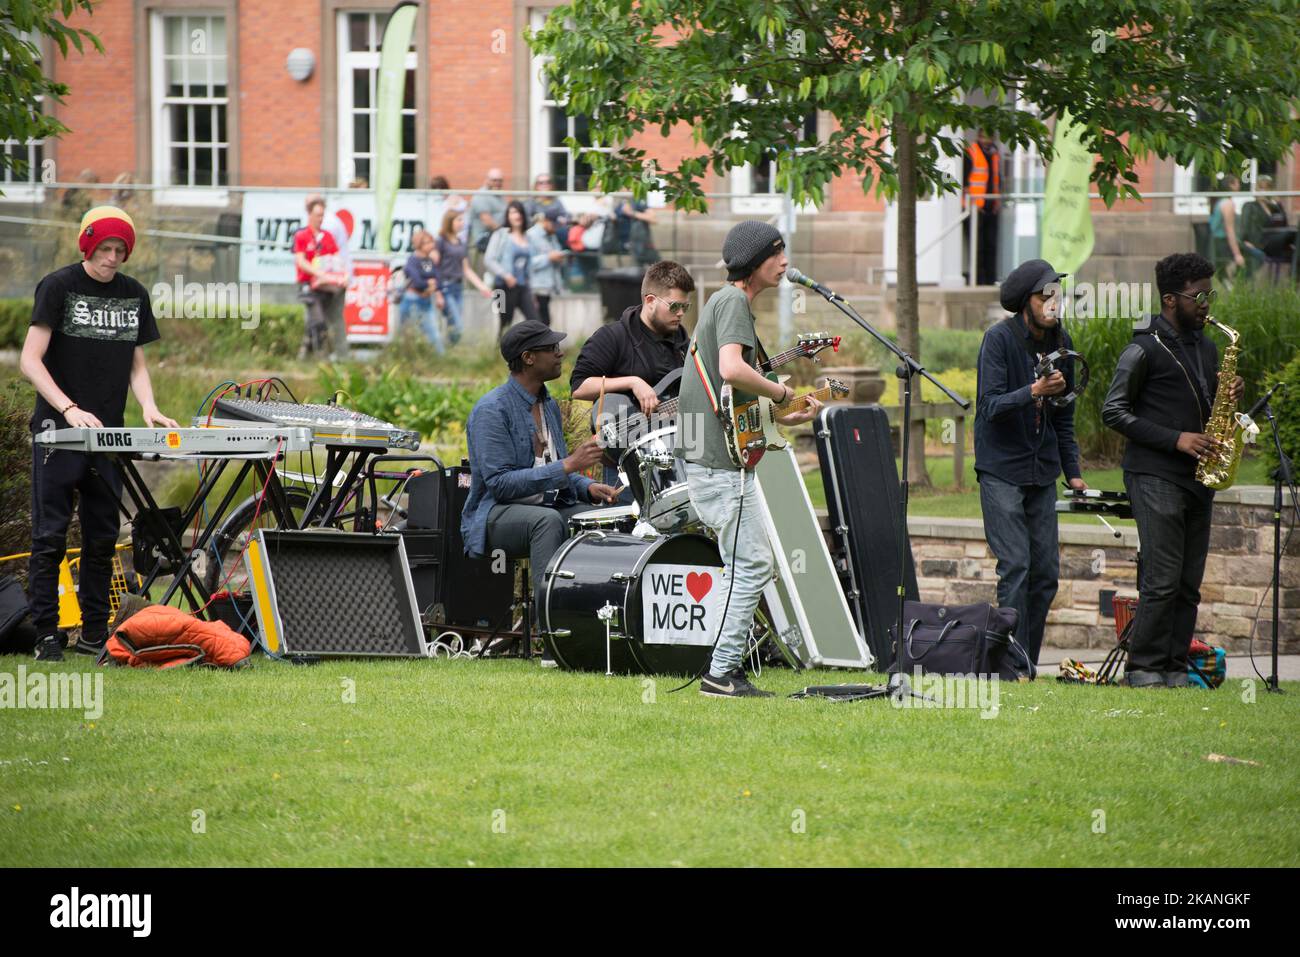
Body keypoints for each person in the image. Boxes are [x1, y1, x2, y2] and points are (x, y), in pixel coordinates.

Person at [18, 205, 179, 661]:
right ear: (88, 246)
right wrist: (67, 407)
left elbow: (136, 362)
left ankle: (92, 633)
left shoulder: (133, 294)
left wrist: (149, 406)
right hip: (57, 432)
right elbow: (30, 359)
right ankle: (46, 634)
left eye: (120, 250)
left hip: (108, 437)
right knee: (50, 536)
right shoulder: (58, 286)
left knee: (102, 538)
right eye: (105, 248)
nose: (112, 257)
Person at [674, 221, 821, 698]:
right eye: (777, 254)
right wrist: (783, 389)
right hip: (717, 467)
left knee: (746, 565)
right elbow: (732, 369)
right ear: (755, 260)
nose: (784, 262)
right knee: (753, 565)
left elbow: (733, 397)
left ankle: (723, 669)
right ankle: (721, 673)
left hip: (716, 460)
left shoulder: (722, 303)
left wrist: (785, 416)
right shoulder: (733, 301)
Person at [1101, 252, 1244, 688]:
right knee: (1161, 580)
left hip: (1199, 478)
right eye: (1198, 296)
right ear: (1169, 299)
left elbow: (1199, 403)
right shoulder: (1141, 348)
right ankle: (1143, 667)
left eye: (1209, 294)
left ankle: (1174, 666)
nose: (1206, 304)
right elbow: (1113, 412)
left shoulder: (1207, 346)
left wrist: (1227, 392)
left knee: (1187, 583)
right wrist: (1176, 438)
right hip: (1154, 474)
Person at [461, 320, 621, 632]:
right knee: (546, 522)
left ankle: (592, 623)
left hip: (547, 506)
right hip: (496, 513)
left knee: (599, 520)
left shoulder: (546, 404)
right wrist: (568, 466)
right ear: (528, 357)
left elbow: (554, 469)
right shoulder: (491, 410)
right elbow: (500, 484)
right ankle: (549, 630)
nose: (560, 354)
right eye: (552, 349)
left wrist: (588, 487)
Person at [974, 258, 1086, 669]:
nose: (1054, 303)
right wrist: (1034, 390)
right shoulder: (999, 340)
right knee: (1016, 567)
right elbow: (989, 407)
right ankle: (1010, 665)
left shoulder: (1063, 343)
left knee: (1046, 574)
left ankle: (1026, 663)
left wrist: (1072, 471)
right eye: (1046, 296)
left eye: (1058, 294)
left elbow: (1065, 415)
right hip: (1001, 468)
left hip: (1042, 471)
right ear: (1027, 303)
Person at [570, 259, 695, 498]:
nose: (680, 313)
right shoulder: (613, 336)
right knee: (632, 530)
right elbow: (579, 387)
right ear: (650, 301)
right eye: (674, 306)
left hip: (676, 455)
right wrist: (632, 382)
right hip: (626, 458)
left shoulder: (682, 344)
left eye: (685, 308)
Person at [293, 194, 348, 360]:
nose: (320, 219)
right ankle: (321, 358)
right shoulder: (301, 235)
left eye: (322, 215)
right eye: (318, 215)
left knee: (319, 321)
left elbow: (337, 260)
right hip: (308, 285)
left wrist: (342, 276)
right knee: (318, 320)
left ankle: (304, 357)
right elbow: (301, 261)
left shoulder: (327, 237)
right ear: (309, 215)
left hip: (325, 286)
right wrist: (318, 273)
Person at [434, 207, 494, 347]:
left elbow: (466, 269)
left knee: (453, 325)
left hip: (458, 287)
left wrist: (482, 287)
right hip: (445, 287)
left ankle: (448, 353)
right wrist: (437, 292)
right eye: (459, 220)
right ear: (450, 221)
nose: (462, 223)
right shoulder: (441, 241)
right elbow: (434, 267)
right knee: (457, 325)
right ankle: (445, 350)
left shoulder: (461, 243)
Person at [485, 200, 544, 334]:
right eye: (513, 212)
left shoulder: (528, 237)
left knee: (536, 321)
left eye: (519, 212)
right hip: (503, 288)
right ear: (507, 216)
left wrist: (532, 291)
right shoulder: (500, 234)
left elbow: (529, 268)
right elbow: (489, 259)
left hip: (523, 287)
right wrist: (506, 275)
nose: (517, 215)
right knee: (505, 323)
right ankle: (497, 353)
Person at [963, 130, 1002, 285]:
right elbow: (963, 183)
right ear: (978, 137)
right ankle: (977, 280)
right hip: (974, 209)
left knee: (990, 246)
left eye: (989, 137)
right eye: (984, 137)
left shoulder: (995, 154)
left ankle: (990, 280)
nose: (987, 140)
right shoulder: (970, 153)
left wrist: (997, 203)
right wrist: (973, 205)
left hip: (991, 207)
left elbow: (997, 180)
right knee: (977, 247)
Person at [399, 229, 444, 353]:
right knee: (409, 334)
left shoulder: (430, 261)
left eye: (431, 242)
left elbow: (438, 280)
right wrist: (429, 283)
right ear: (419, 244)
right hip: (413, 299)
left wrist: (434, 287)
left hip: (426, 300)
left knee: (433, 334)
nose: (431, 245)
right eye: (427, 243)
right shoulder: (412, 261)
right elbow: (417, 282)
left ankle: (441, 360)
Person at [525, 207, 569, 326]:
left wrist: (559, 257)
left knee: (544, 322)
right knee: (540, 323)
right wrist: (548, 258)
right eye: (554, 225)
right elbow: (527, 263)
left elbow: (557, 254)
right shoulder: (531, 235)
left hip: (548, 286)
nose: (556, 228)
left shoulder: (552, 236)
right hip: (535, 287)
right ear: (546, 221)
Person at [1208, 173, 1251, 281]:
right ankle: (1240, 286)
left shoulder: (1220, 201)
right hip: (1223, 243)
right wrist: (1237, 254)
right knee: (1256, 258)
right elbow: (1229, 230)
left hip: (1219, 242)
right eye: (1237, 183)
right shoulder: (1227, 204)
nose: (1239, 186)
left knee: (1223, 274)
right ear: (1231, 185)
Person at [467, 167, 507, 268]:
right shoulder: (481, 195)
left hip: (496, 242)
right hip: (481, 244)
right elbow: (487, 221)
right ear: (487, 180)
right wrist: (506, 234)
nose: (497, 183)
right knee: (480, 276)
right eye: (494, 180)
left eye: (500, 180)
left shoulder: (500, 195)